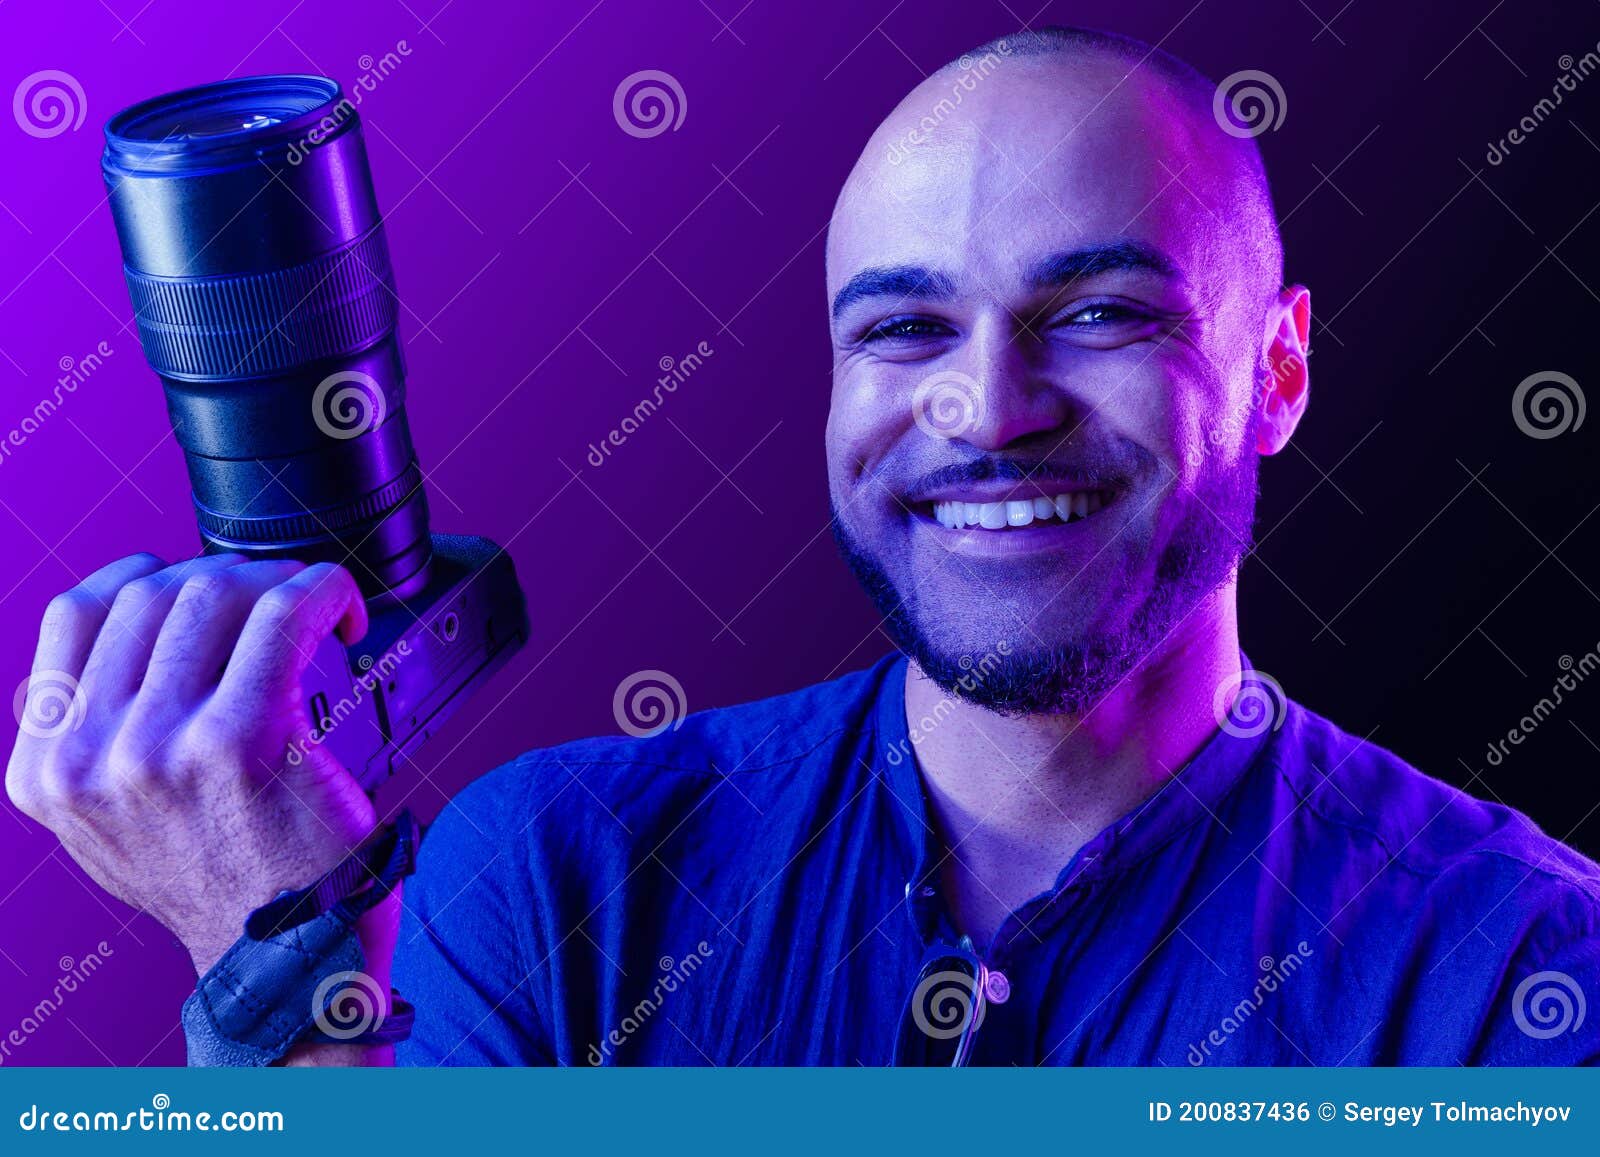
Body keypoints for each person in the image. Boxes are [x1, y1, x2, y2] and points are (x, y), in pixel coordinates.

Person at [9, 26, 1599, 1067]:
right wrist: (280, 968)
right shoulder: (557, 867)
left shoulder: (1511, 968)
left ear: (1278, 372)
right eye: (906, 326)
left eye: (1099, 312)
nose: (986, 408)